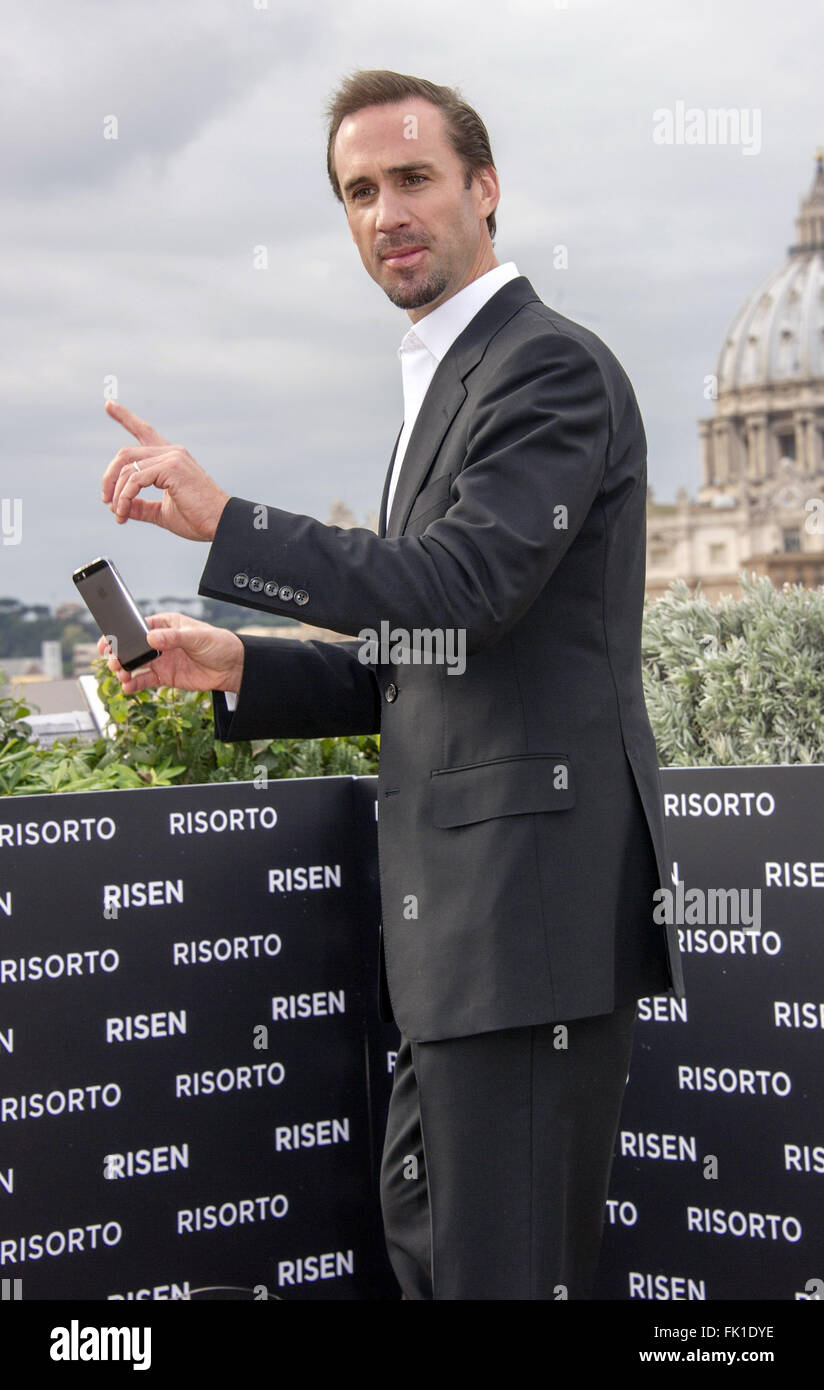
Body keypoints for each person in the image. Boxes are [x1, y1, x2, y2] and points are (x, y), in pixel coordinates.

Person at [99, 68, 685, 1301]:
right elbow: (432, 658)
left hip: (521, 927)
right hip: (461, 942)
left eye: (412, 178)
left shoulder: (547, 368)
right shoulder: (444, 385)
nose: (385, 213)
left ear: (484, 188)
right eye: (358, 191)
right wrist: (240, 661)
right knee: (443, 1268)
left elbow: (460, 588)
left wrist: (227, 527)